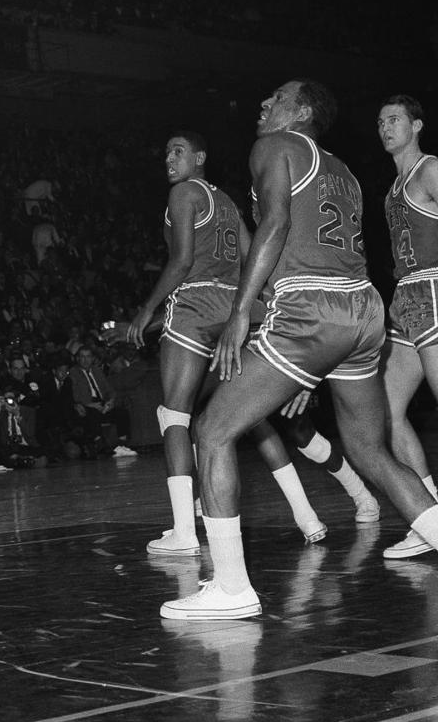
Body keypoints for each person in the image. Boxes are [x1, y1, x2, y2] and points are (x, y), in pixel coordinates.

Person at [162, 80, 438, 621]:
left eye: (277, 100)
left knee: (213, 430)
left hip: (312, 309)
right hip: (366, 310)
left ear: (302, 112)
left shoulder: (275, 146)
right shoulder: (347, 173)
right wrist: (306, 373)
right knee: (371, 449)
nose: (263, 105)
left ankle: (233, 588)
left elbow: (277, 224)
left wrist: (243, 311)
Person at [127, 131, 365, 556]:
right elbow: (250, 250)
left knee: (175, 417)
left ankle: (184, 532)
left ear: (200, 157)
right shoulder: (226, 201)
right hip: (238, 302)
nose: (169, 157)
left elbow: (181, 261)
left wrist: (147, 309)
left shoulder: (184, 194)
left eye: (177, 150)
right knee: (252, 418)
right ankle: (307, 516)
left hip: (197, 303)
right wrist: (264, 300)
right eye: (166, 151)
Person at [376, 94, 438, 559]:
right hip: (404, 299)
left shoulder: (430, 169)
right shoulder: (391, 190)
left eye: (394, 119)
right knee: (386, 412)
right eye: (380, 122)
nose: (385, 127)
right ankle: (431, 515)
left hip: (433, 290)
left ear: (417, 125)